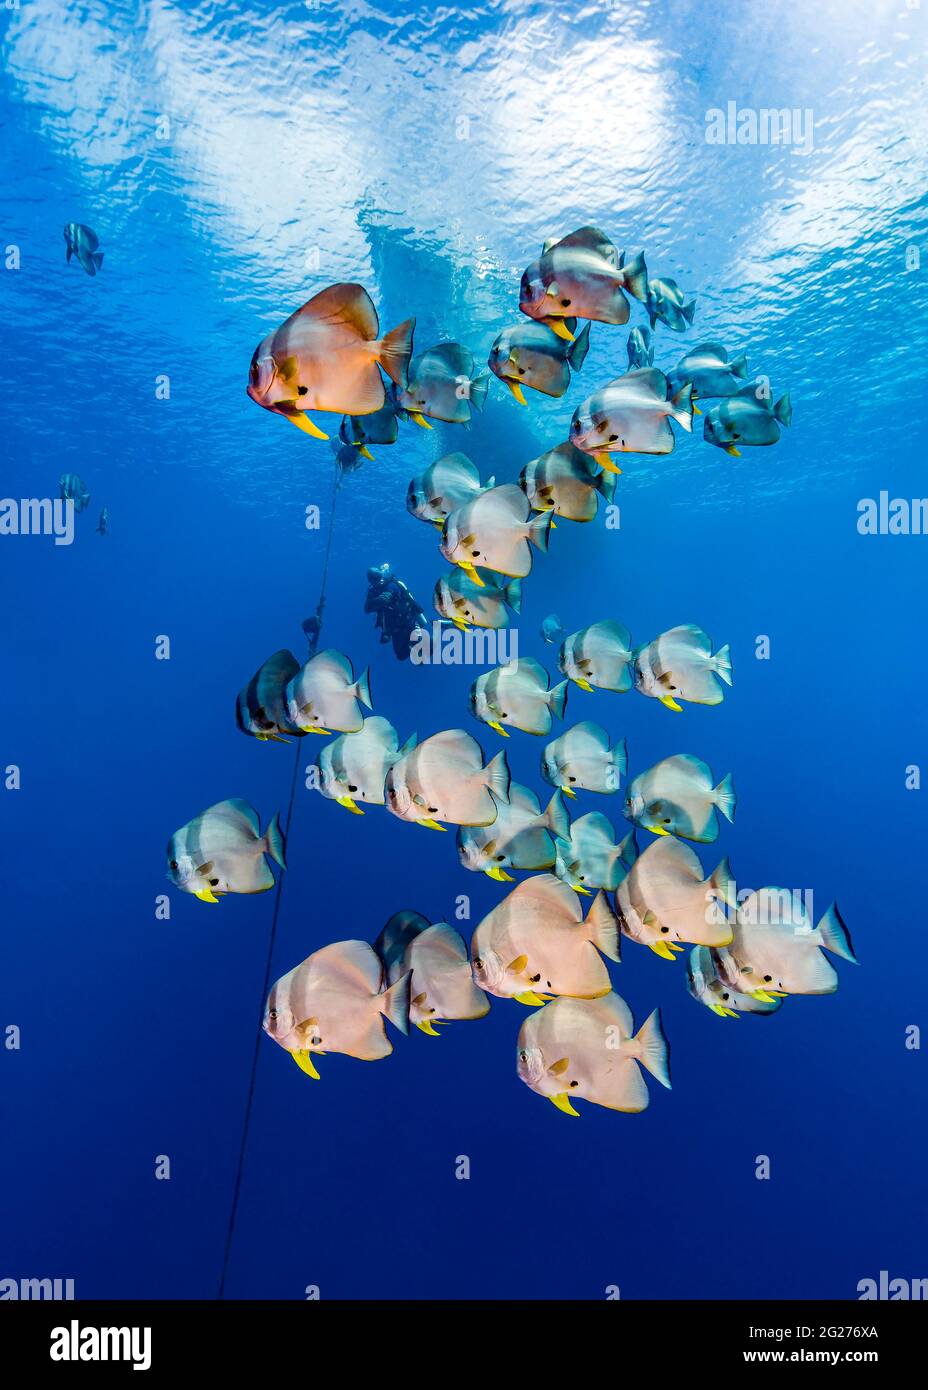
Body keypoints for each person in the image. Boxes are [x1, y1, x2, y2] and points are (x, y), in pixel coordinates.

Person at [364, 564, 428, 660]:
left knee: (419, 643)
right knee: (401, 656)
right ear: (371, 581)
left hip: (408, 622)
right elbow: (367, 609)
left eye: (378, 578)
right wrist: (376, 600)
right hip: (394, 629)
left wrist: (380, 599)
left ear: (381, 576)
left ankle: (423, 644)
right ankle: (413, 649)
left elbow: (388, 595)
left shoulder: (392, 584)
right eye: (374, 580)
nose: (378, 582)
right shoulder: (372, 592)